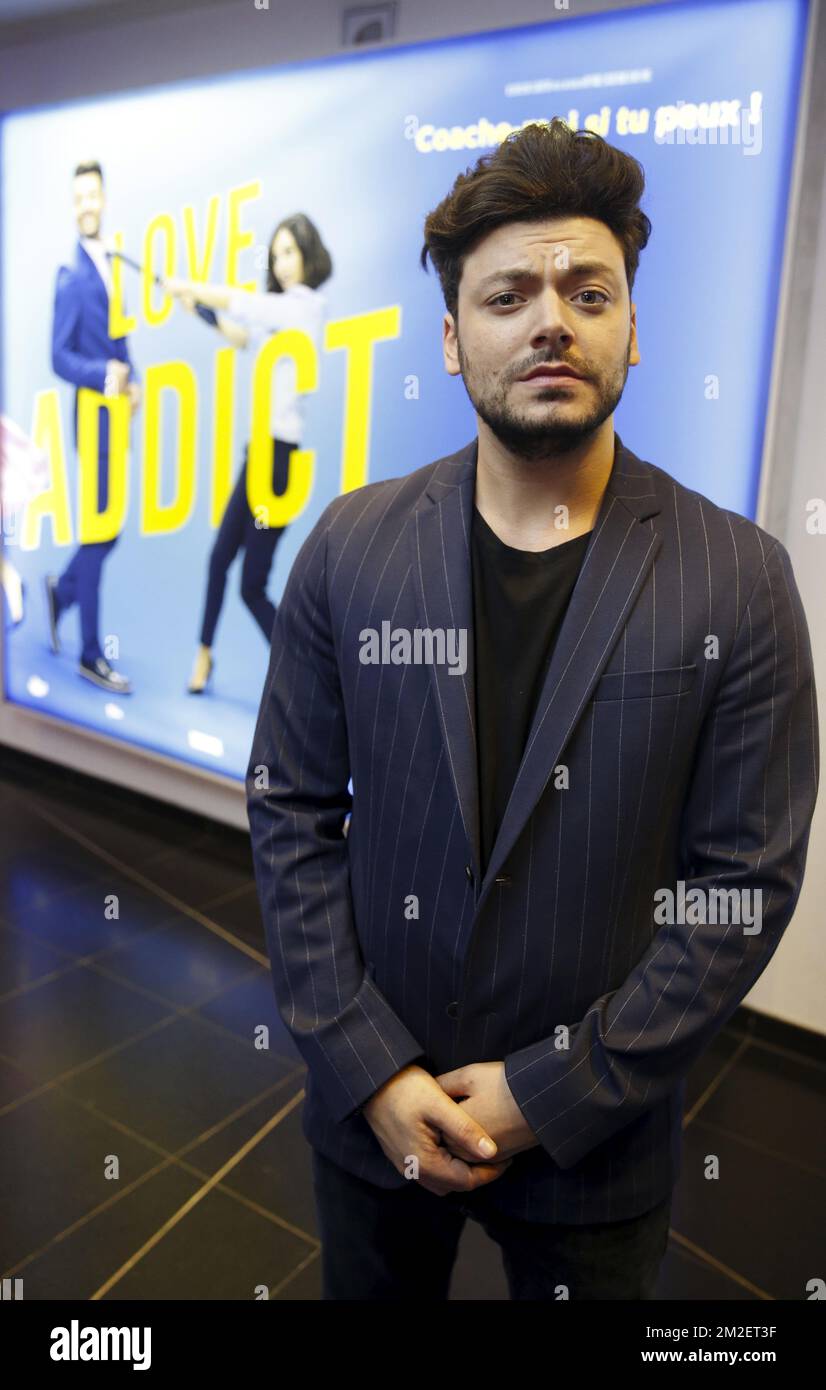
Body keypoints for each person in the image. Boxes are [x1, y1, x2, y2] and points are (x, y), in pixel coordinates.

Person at [245, 120, 819, 1300]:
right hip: (371, 1122)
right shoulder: (350, 548)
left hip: (594, 1147)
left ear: (630, 331)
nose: (550, 317)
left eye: (586, 289)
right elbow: (291, 813)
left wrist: (548, 1091)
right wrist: (368, 1065)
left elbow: (738, 883)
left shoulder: (738, 575)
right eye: (508, 294)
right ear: (454, 342)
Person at [162, 213, 331, 694]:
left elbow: (244, 306)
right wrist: (194, 306)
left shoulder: (305, 307)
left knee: (251, 584)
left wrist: (188, 284)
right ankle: (204, 658)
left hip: (279, 462)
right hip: (258, 455)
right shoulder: (276, 314)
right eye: (275, 254)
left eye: (290, 253)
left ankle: (308, 674)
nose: (281, 263)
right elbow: (241, 334)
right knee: (219, 561)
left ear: (308, 255)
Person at [45, 160, 141, 692]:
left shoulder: (110, 267)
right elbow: (58, 358)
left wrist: (136, 380)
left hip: (115, 419)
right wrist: (105, 374)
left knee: (109, 530)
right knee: (99, 531)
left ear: (103, 199)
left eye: (93, 195)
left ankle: (61, 590)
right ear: (73, 203)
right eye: (78, 196)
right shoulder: (70, 277)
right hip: (91, 419)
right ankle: (88, 653)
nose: (86, 204)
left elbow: (117, 337)